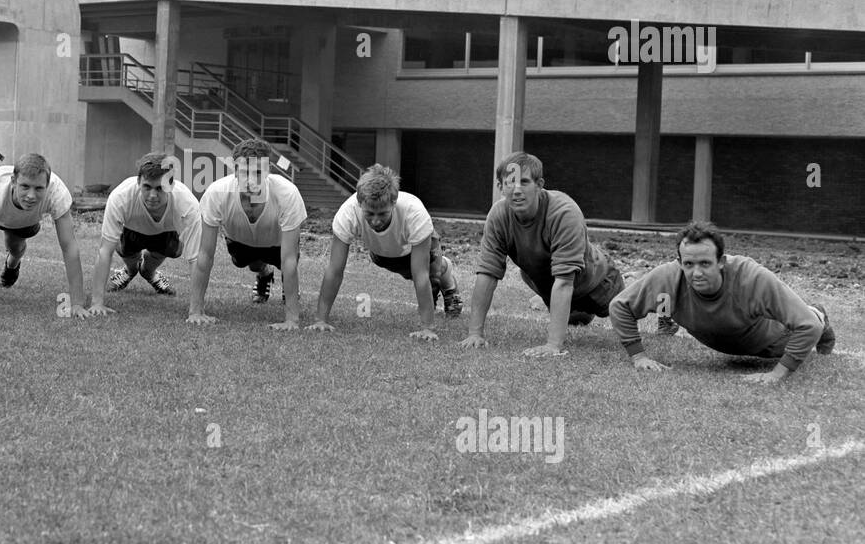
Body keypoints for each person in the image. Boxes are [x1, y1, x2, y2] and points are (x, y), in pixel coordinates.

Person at [608, 222, 835, 385]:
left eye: (705, 263)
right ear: (679, 262)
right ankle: (666, 321)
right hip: (723, 337)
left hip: (773, 341)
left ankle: (818, 312)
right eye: (689, 264)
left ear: (721, 262)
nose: (696, 272)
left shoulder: (752, 277)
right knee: (664, 297)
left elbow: (807, 327)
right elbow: (620, 306)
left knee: (810, 320)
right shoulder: (668, 275)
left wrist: (776, 375)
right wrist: (638, 357)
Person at [460, 151, 624, 357]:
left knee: (629, 313)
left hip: (597, 282)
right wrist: (475, 333)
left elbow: (565, 281)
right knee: (575, 318)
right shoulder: (498, 215)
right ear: (500, 187)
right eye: (510, 182)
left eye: (524, 182)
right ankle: (578, 313)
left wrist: (553, 346)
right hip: (549, 287)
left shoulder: (564, 212)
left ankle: (665, 303)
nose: (517, 190)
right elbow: (487, 273)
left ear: (539, 185)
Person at [307, 164, 460, 341]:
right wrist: (320, 320)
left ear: (394, 203)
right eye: (369, 213)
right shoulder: (347, 213)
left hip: (421, 245)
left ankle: (447, 279)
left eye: (382, 214)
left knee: (432, 276)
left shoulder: (414, 213)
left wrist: (427, 328)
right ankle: (439, 272)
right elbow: (334, 270)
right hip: (385, 252)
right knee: (399, 267)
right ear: (359, 203)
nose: (376, 221)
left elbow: (420, 274)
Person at [0, 154, 90, 317]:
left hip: (23, 216)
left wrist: (77, 305)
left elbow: (69, 247)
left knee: (16, 247)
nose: (31, 196)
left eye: (39, 188)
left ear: (47, 186)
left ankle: (12, 266)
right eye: (25, 186)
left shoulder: (57, 193)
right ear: (13, 181)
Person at [187, 138, 306, 330]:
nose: (251, 181)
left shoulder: (287, 194)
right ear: (235, 170)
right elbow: (205, 254)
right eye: (244, 172)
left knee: (287, 265)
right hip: (240, 241)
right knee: (248, 263)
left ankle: (288, 291)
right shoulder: (217, 193)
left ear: (267, 171)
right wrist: (195, 312)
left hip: (277, 245)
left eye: (258, 172)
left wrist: (291, 321)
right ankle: (264, 274)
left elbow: (290, 259)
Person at [87, 152, 202, 316]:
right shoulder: (120, 197)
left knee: (176, 250)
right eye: (147, 187)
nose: (153, 196)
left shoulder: (187, 204)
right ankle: (129, 270)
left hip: (165, 234)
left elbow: (196, 259)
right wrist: (97, 303)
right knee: (121, 245)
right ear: (138, 182)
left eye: (160, 188)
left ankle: (149, 272)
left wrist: (196, 312)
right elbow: (105, 251)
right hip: (131, 232)